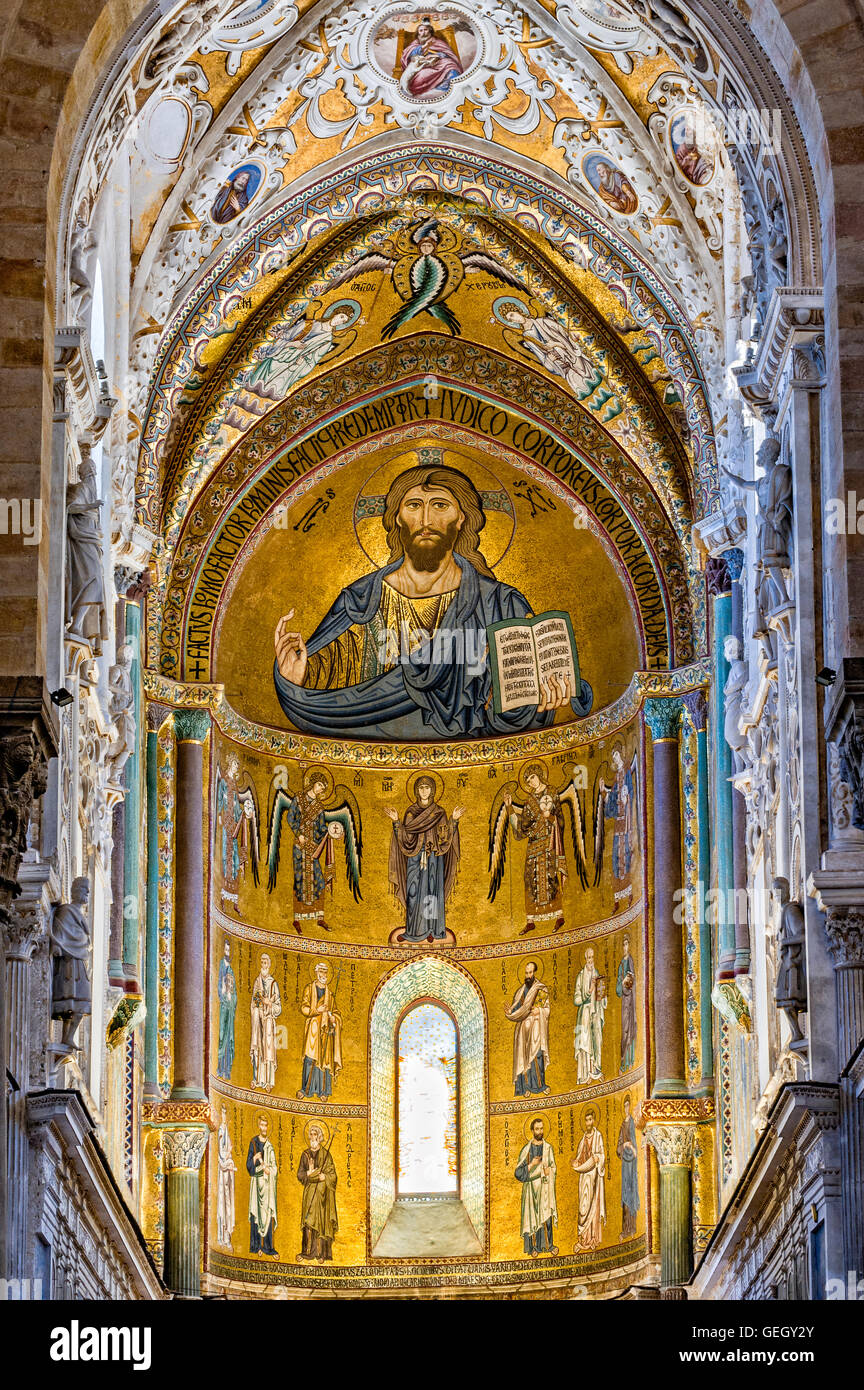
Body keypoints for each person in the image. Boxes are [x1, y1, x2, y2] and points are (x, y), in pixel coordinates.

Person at [273, 458, 578, 739]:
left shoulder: (498, 604)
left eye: (440, 505)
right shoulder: (361, 602)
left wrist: (541, 700)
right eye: (414, 505)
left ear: (462, 518)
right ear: (397, 519)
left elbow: (509, 718)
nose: (426, 519)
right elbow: (332, 685)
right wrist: (296, 678)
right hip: (372, 760)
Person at [387, 775, 462, 942]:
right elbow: (406, 838)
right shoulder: (411, 812)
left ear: (432, 790)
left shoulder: (439, 812)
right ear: (416, 791)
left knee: (431, 893)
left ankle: (431, 930)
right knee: (413, 893)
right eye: (421, 788)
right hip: (414, 858)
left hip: (434, 858)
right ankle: (414, 931)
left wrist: (454, 820)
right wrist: (396, 822)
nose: (424, 791)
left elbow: (444, 837)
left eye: (427, 787)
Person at [504, 765, 566, 934]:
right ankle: (530, 920)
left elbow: (560, 820)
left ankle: (559, 916)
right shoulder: (529, 800)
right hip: (533, 845)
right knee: (530, 880)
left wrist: (551, 817)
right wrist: (510, 808)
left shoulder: (552, 793)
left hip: (550, 843)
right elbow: (521, 828)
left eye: (532, 777)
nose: (530, 782)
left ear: (539, 775)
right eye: (528, 780)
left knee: (551, 877)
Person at [50, 877, 92, 1048]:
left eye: (88, 889)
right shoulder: (66, 911)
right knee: (71, 1001)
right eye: (84, 888)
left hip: (79, 961)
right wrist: (57, 945)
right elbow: (59, 932)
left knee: (81, 1003)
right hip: (68, 962)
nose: (87, 892)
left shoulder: (81, 917)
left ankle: (69, 1036)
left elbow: (83, 939)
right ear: (75, 891)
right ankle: (65, 1037)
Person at [505, 960, 551, 1095]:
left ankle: (540, 1085)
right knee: (524, 1058)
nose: (528, 976)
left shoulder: (541, 989)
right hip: (524, 1029)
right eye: (526, 973)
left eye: (530, 972)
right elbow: (517, 1009)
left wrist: (540, 1011)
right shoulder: (520, 992)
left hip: (537, 1026)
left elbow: (547, 1010)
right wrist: (510, 1013)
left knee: (537, 1056)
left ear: (535, 973)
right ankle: (525, 1087)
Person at [298, 961, 343, 1099]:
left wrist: (334, 1018)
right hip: (313, 1029)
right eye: (321, 971)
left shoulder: (330, 993)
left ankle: (324, 1092)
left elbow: (335, 1012)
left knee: (325, 1060)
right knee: (310, 1058)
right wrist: (316, 1010)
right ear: (317, 973)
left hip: (325, 1031)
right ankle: (306, 1090)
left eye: (325, 972)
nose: (323, 974)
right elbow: (303, 1007)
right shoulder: (309, 989)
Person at [514, 1117, 558, 1256]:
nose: (540, 1131)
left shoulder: (548, 1148)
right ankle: (533, 1248)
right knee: (532, 1218)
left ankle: (548, 1246)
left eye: (542, 1128)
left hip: (544, 1188)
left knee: (546, 1217)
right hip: (531, 1188)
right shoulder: (526, 1150)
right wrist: (532, 1164)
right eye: (537, 1129)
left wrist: (549, 1171)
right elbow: (518, 1173)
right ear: (532, 1131)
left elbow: (553, 1167)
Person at [296, 1125, 338, 1262]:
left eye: (315, 1134)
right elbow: (300, 1174)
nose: (312, 1137)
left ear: (320, 1137)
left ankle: (321, 1254)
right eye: (311, 1134)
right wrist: (310, 1172)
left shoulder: (326, 1155)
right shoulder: (305, 1154)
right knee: (308, 1222)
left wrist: (324, 1177)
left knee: (321, 1223)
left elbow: (333, 1176)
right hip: (309, 1194)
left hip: (322, 1196)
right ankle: (306, 1252)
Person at [397, 17, 464, 97]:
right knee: (421, 76)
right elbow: (409, 54)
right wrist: (423, 48)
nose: (423, 33)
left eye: (425, 30)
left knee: (450, 64)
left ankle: (446, 88)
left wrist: (436, 55)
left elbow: (447, 53)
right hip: (421, 66)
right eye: (421, 31)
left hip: (438, 62)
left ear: (430, 31)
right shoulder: (415, 43)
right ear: (418, 33)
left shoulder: (437, 42)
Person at [572, 1109, 606, 1250]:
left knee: (594, 1206)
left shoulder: (598, 1136)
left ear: (594, 1120)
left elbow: (602, 1155)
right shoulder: (583, 1139)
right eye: (586, 1120)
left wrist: (598, 1158)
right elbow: (579, 1157)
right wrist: (576, 1162)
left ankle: (593, 1239)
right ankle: (583, 1239)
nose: (588, 1123)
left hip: (594, 1176)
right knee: (583, 1207)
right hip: (584, 1176)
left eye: (590, 1119)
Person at [573, 946, 607, 1082]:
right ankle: (587, 1073)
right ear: (585, 959)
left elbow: (600, 995)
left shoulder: (596, 973)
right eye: (588, 958)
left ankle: (596, 1069)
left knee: (597, 1039)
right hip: (585, 1013)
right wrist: (589, 991)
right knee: (586, 1043)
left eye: (592, 957)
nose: (590, 960)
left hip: (596, 1012)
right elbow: (576, 999)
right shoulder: (581, 977)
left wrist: (602, 994)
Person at [247, 1113, 278, 1256]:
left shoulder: (270, 1147)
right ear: (258, 1125)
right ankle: (256, 1246)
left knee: (268, 1214)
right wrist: (254, 1158)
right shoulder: (253, 1143)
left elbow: (275, 1168)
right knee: (256, 1214)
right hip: (256, 1183)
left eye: (266, 1125)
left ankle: (268, 1247)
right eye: (262, 1125)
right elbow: (248, 1166)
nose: (264, 1127)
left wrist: (269, 1170)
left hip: (267, 1185)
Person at [250, 953, 281, 1092]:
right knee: (258, 1050)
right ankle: (257, 1079)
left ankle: (269, 1081)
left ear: (269, 965)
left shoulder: (273, 984)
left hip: (268, 1021)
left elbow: (278, 1008)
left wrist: (269, 1004)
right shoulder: (257, 982)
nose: (263, 965)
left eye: (266, 962)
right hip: (258, 1020)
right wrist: (258, 1007)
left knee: (268, 1051)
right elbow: (254, 1002)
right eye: (261, 962)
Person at [616, 1097, 639, 1239]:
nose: (626, 1108)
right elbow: (618, 1146)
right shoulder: (622, 1125)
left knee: (632, 1191)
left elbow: (636, 1141)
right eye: (624, 1106)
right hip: (625, 1163)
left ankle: (633, 1228)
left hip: (633, 1163)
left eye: (627, 1105)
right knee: (625, 1193)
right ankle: (625, 1229)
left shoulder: (632, 1122)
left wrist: (632, 1146)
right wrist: (624, 1146)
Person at [216, 941, 237, 1081]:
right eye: (226, 949)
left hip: (230, 1010)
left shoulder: (231, 969)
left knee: (229, 1039)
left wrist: (231, 999)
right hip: (223, 1009)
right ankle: (219, 1068)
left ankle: (227, 1069)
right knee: (221, 1037)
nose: (227, 952)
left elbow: (234, 992)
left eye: (229, 950)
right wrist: (224, 994)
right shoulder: (221, 966)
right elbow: (219, 985)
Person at [217, 1106, 236, 1249]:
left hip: (227, 1181)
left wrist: (229, 1162)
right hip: (222, 1182)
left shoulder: (226, 1131)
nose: (224, 1117)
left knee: (228, 1209)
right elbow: (221, 1156)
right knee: (223, 1210)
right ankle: (222, 1236)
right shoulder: (221, 1132)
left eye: (225, 1114)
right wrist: (228, 1159)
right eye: (222, 1114)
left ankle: (226, 1236)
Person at [616, 936, 636, 1072]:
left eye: (627, 944)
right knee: (624, 1030)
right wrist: (622, 983)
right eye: (623, 945)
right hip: (624, 1001)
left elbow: (634, 979)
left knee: (632, 1028)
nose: (625, 947)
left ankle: (631, 1060)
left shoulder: (631, 961)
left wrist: (629, 980)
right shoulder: (621, 965)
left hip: (632, 1000)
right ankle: (623, 1060)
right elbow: (618, 988)